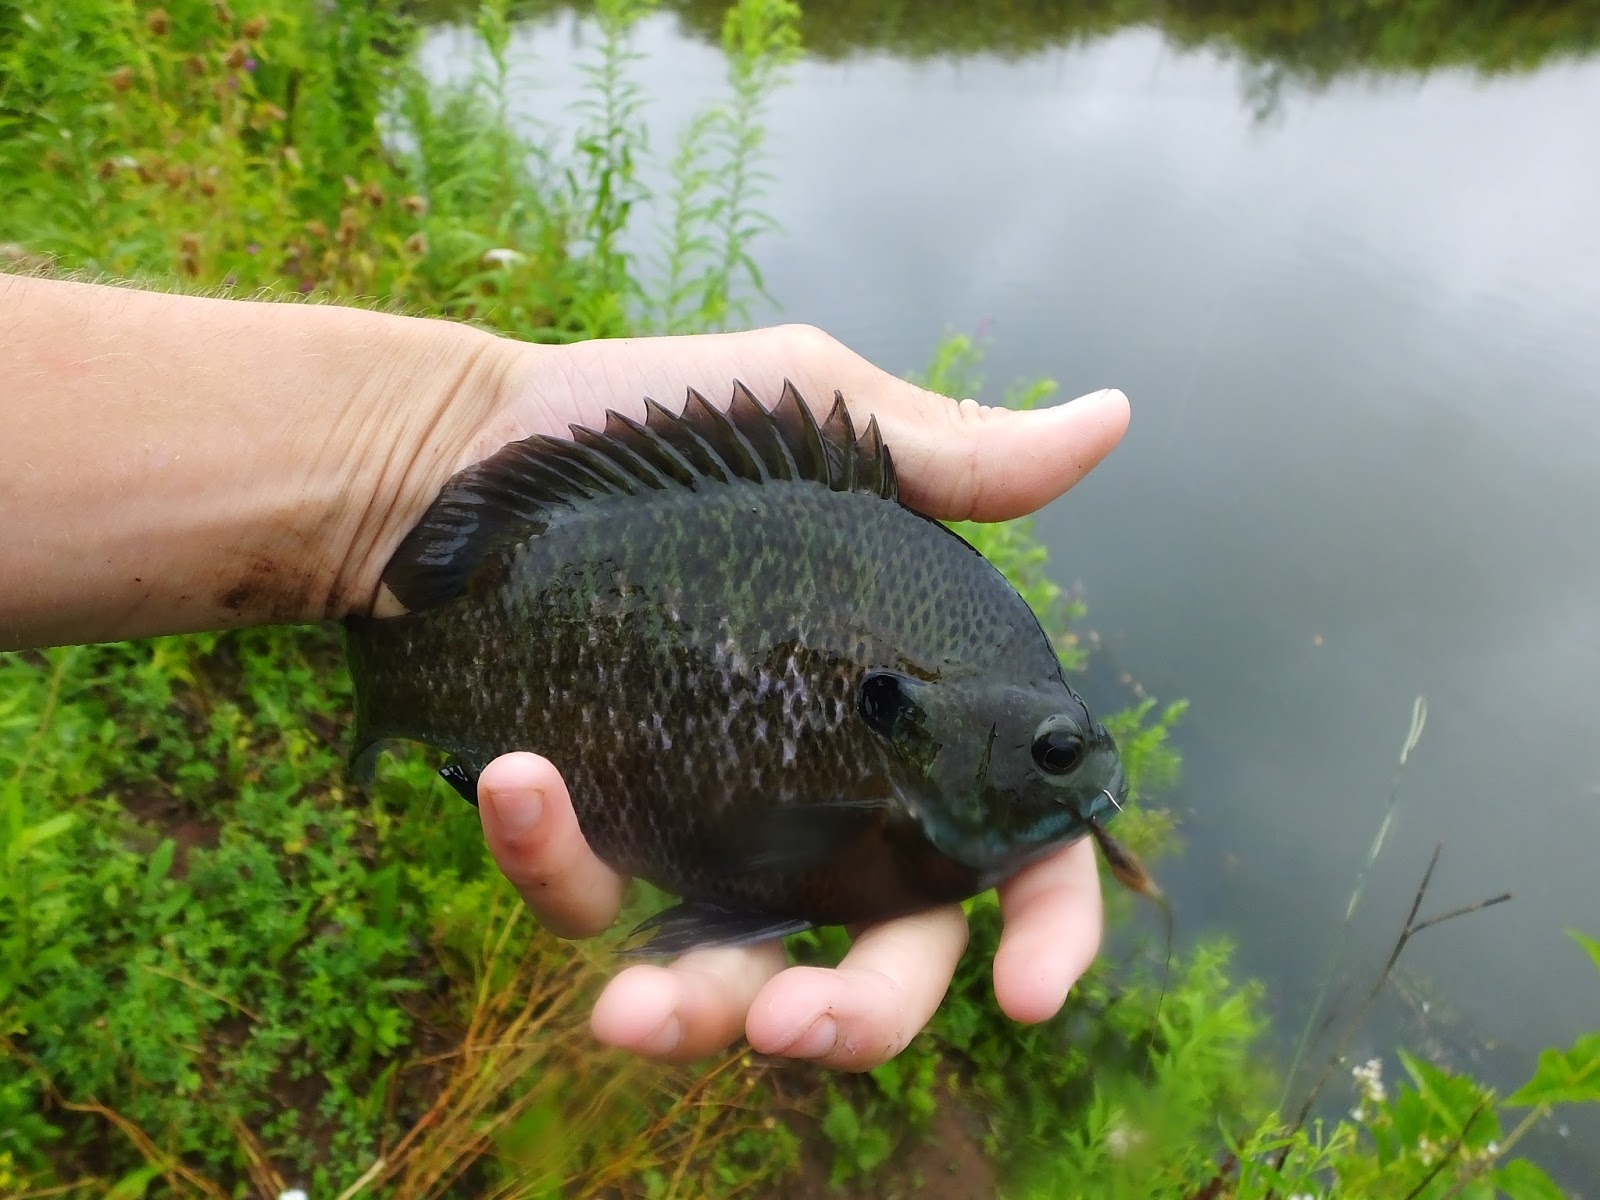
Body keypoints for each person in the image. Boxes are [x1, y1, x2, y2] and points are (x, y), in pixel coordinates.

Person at [0, 271, 1131, 1072]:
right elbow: (790, 845)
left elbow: (785, 848)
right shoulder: (937, 694)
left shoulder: (948, 656)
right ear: (943, 729)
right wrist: (392, 472)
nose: (1067, 765)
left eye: (1056, 751)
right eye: (1051, 749)